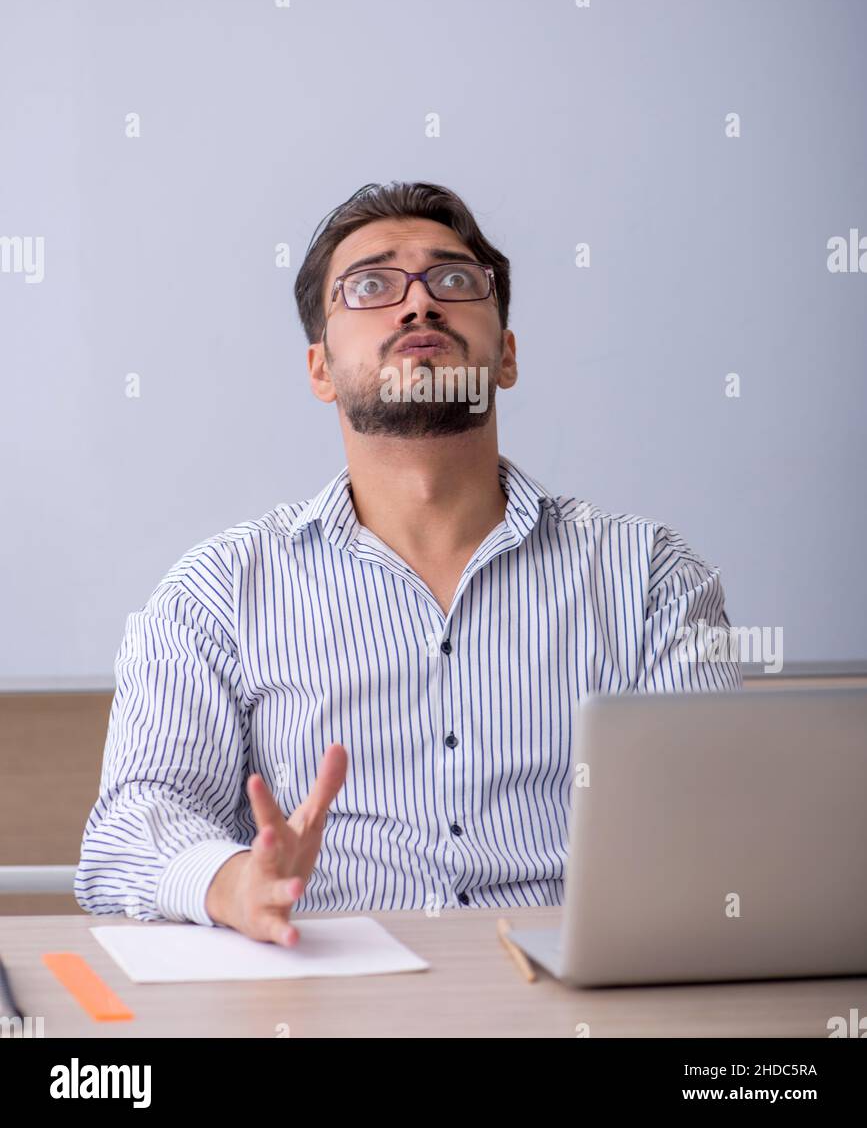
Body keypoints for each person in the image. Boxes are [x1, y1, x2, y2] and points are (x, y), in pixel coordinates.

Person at [75, 180, 740, 947]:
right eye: (371, 285)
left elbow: (715, 821)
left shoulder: (650, 576)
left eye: (454, 280)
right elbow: (129, 827)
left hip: (580, 994)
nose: (418, 305)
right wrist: (233, 883)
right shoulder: (218, 591)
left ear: (508, 355)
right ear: (320, 369)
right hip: (324, 990)